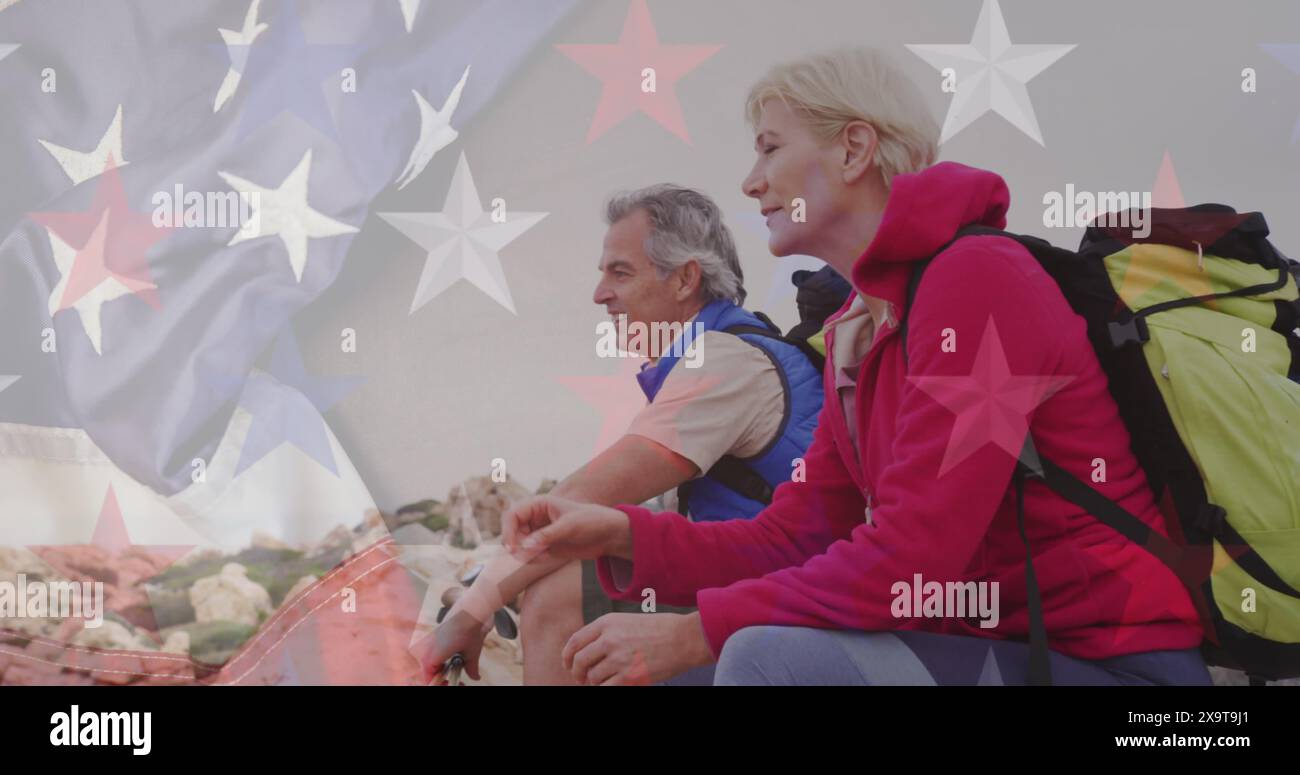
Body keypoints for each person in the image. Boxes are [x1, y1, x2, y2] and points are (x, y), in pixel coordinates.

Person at [497, 47, 1212, 686]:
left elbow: (911, 560)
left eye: (770, 148)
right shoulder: (857, 330)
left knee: (757, 659)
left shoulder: (978, 279)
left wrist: (692, 630)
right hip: (999, 649)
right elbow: (796, 536)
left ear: (854, 150)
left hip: (1124, 673)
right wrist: (620, 532)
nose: (751, 182)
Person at [417, 184, 824, 684]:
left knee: (563, 588)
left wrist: (471, 614)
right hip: (760, 590)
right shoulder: (719, 352)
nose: (599, 293)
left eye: (620, 272)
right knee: (568, 568)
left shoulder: (725, 364)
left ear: (684, 279)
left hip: (784, 611)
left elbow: (573, 505)